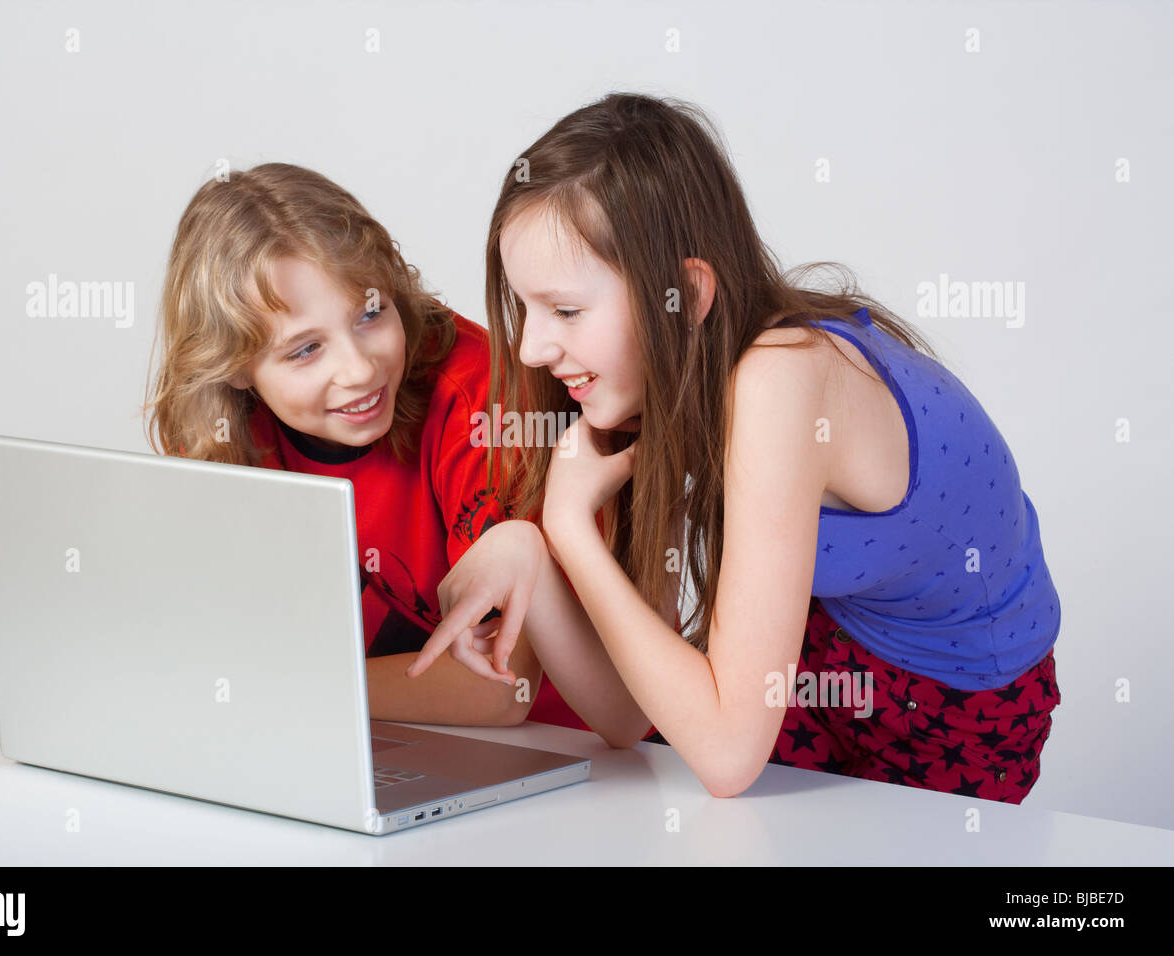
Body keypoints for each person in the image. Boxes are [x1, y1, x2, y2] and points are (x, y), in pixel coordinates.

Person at [409, 93, 1061, 803]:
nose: (532, 348)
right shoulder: (653, 385)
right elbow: (628, 716)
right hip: (823, 654)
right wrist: (533, 547)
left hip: (957, 705)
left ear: (686, 296)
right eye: (525, 307)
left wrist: (569, 527)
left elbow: (725, 757)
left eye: (564, 310)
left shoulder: (781, 377)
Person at [0, 161, 586, 748]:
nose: (357, 369)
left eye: (370, 314)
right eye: (304, 350)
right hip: (357, 735)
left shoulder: (483, 402)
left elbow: (503, 689)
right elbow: (198, 621)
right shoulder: (223, 430)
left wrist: (256, 692)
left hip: (567, 755)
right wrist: (93, 685)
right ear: (236, 368)